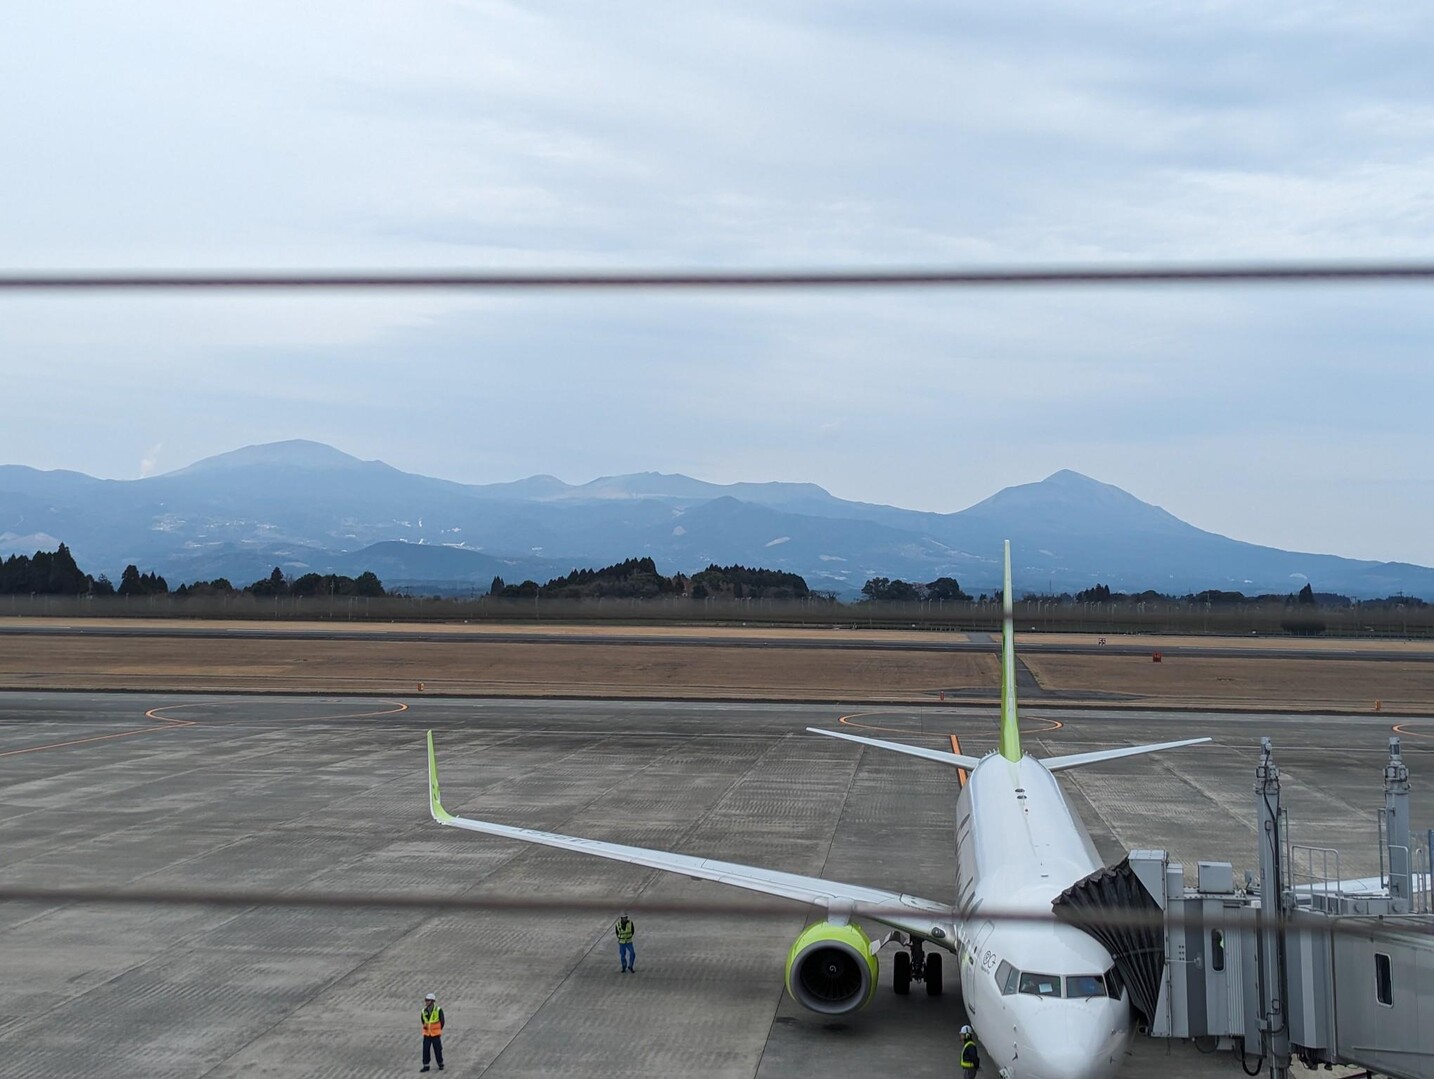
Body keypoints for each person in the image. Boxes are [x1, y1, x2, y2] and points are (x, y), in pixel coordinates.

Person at [420, 992, 445, 1072]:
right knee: (425, 1050)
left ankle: (440, 1063)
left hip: (435, 1034)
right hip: (427, 1034)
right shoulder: (424, 1011)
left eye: (428, 1000)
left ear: (432, 1001)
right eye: (426, 1000)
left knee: (438, 1049)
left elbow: (442, 1021)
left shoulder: (438, 1010)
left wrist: (437, 1029)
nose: (426, 1002)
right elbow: (423, 1021)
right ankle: (426, 1065)